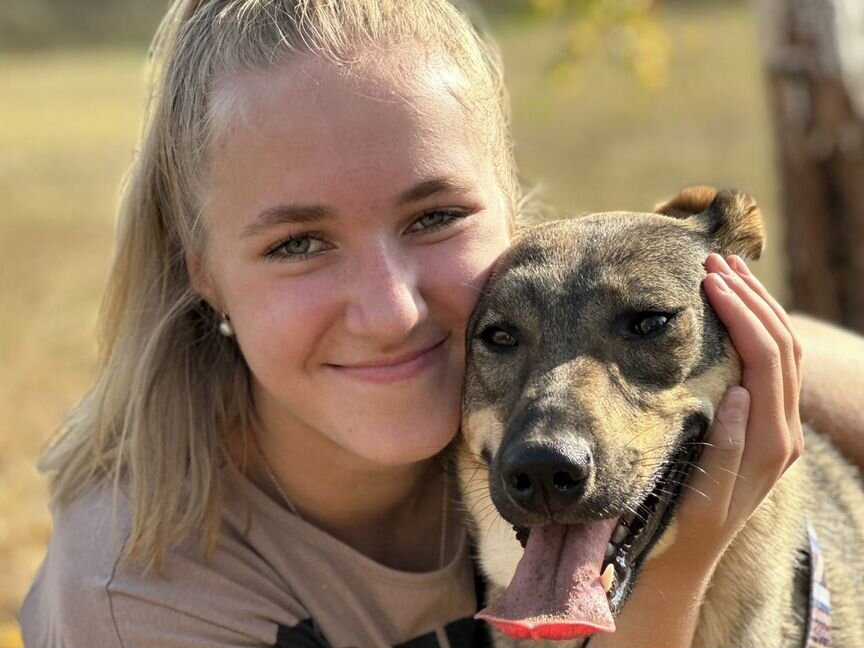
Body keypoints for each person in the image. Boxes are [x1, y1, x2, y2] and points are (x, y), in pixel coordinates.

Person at [19, 1, 864, 646]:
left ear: (514, 213)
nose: (392, 312)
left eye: (433, 218)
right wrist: (682, 558)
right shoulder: (136, 597)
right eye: (298, 243)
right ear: (201, 271)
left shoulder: (535, 379)